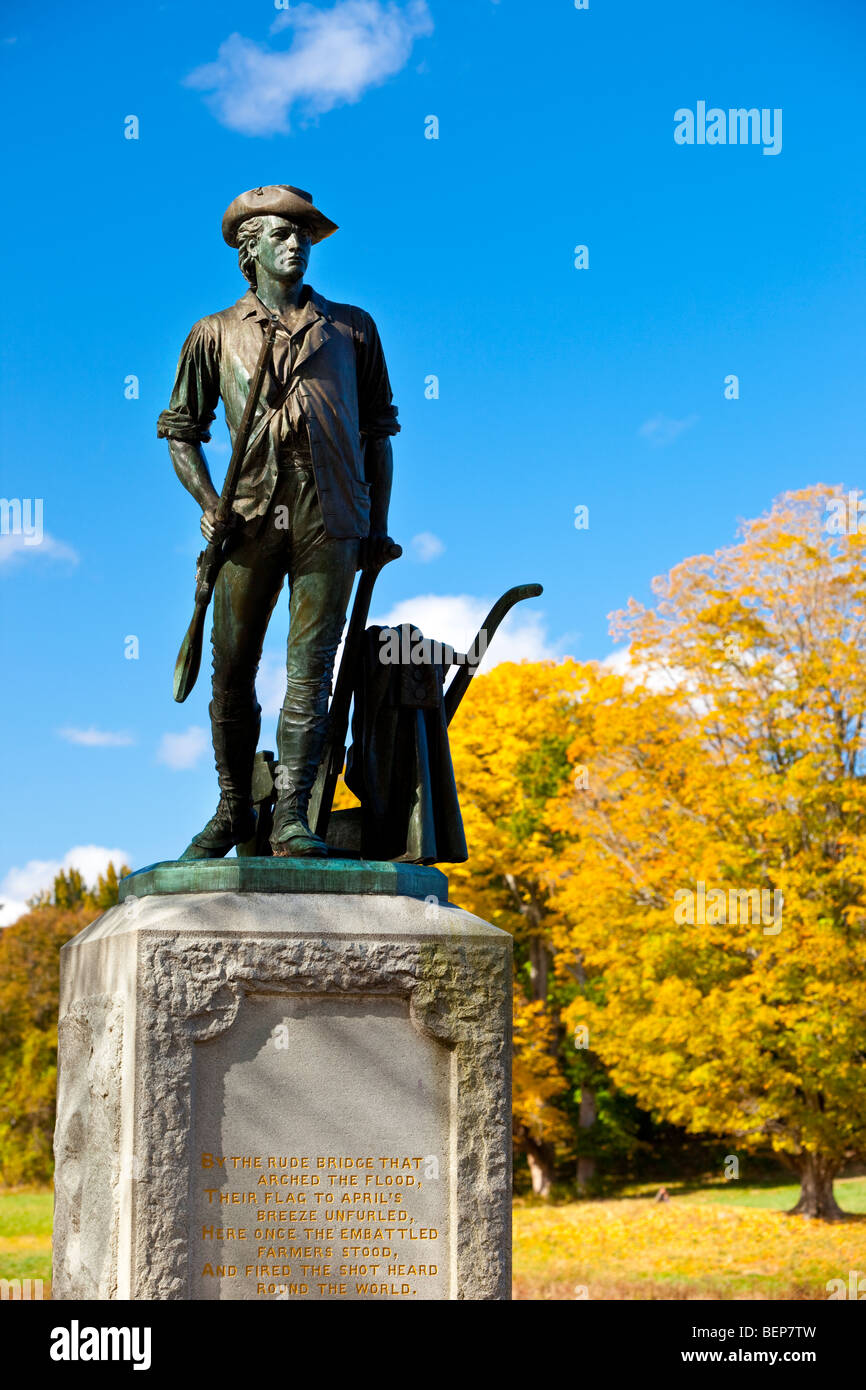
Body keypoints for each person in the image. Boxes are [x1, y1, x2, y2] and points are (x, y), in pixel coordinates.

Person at [158, 184, 399, 857]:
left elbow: (379, 432)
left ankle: (292, 814)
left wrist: (376, 526)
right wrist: (209, 504)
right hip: (248, 516)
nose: (298, 245)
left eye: (304, 236)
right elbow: (181, 430)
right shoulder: (213, 334)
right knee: (231, 670)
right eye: (283, 234)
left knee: (311, 671)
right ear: (251, 248)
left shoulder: (352, 327)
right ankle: (236, 808)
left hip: (333, 513)